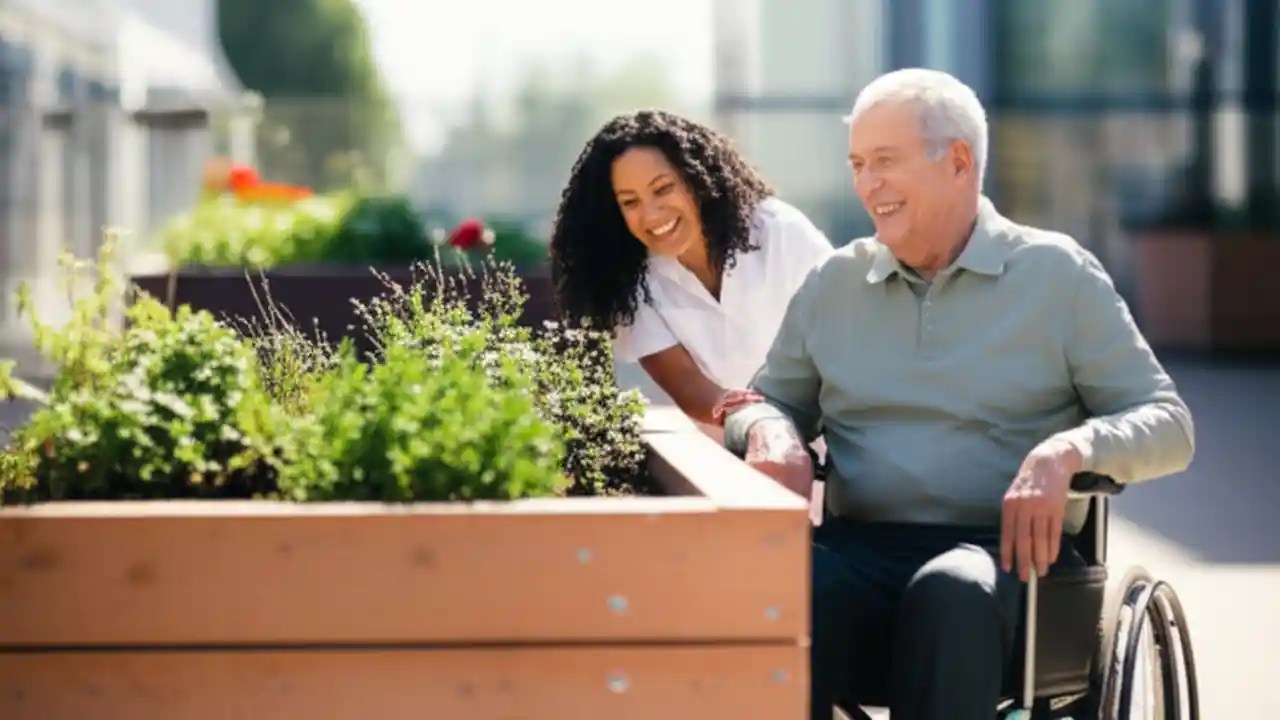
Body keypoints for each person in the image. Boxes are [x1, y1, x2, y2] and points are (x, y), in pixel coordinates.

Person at [719, 69, 1196, 720]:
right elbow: (762, 401)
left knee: (951, 590)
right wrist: (769, 429)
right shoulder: (834, 283)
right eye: (858, 164)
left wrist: (1069, 450)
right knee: (784, 584)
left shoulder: (1058, 276)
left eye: (885, 162)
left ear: (959, 161)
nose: (867, 184)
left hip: (1008, 563)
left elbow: (1168, 424)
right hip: (860, 549)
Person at [548, 109, 834, 437]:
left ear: (696, 178)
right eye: (630, 202)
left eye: (663, 189)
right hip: (717, 461)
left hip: (827, 443)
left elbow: (842, 335)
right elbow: (687, 385)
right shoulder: (629, 279)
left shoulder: (779, 231)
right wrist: (755, 421)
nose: (652, 215)